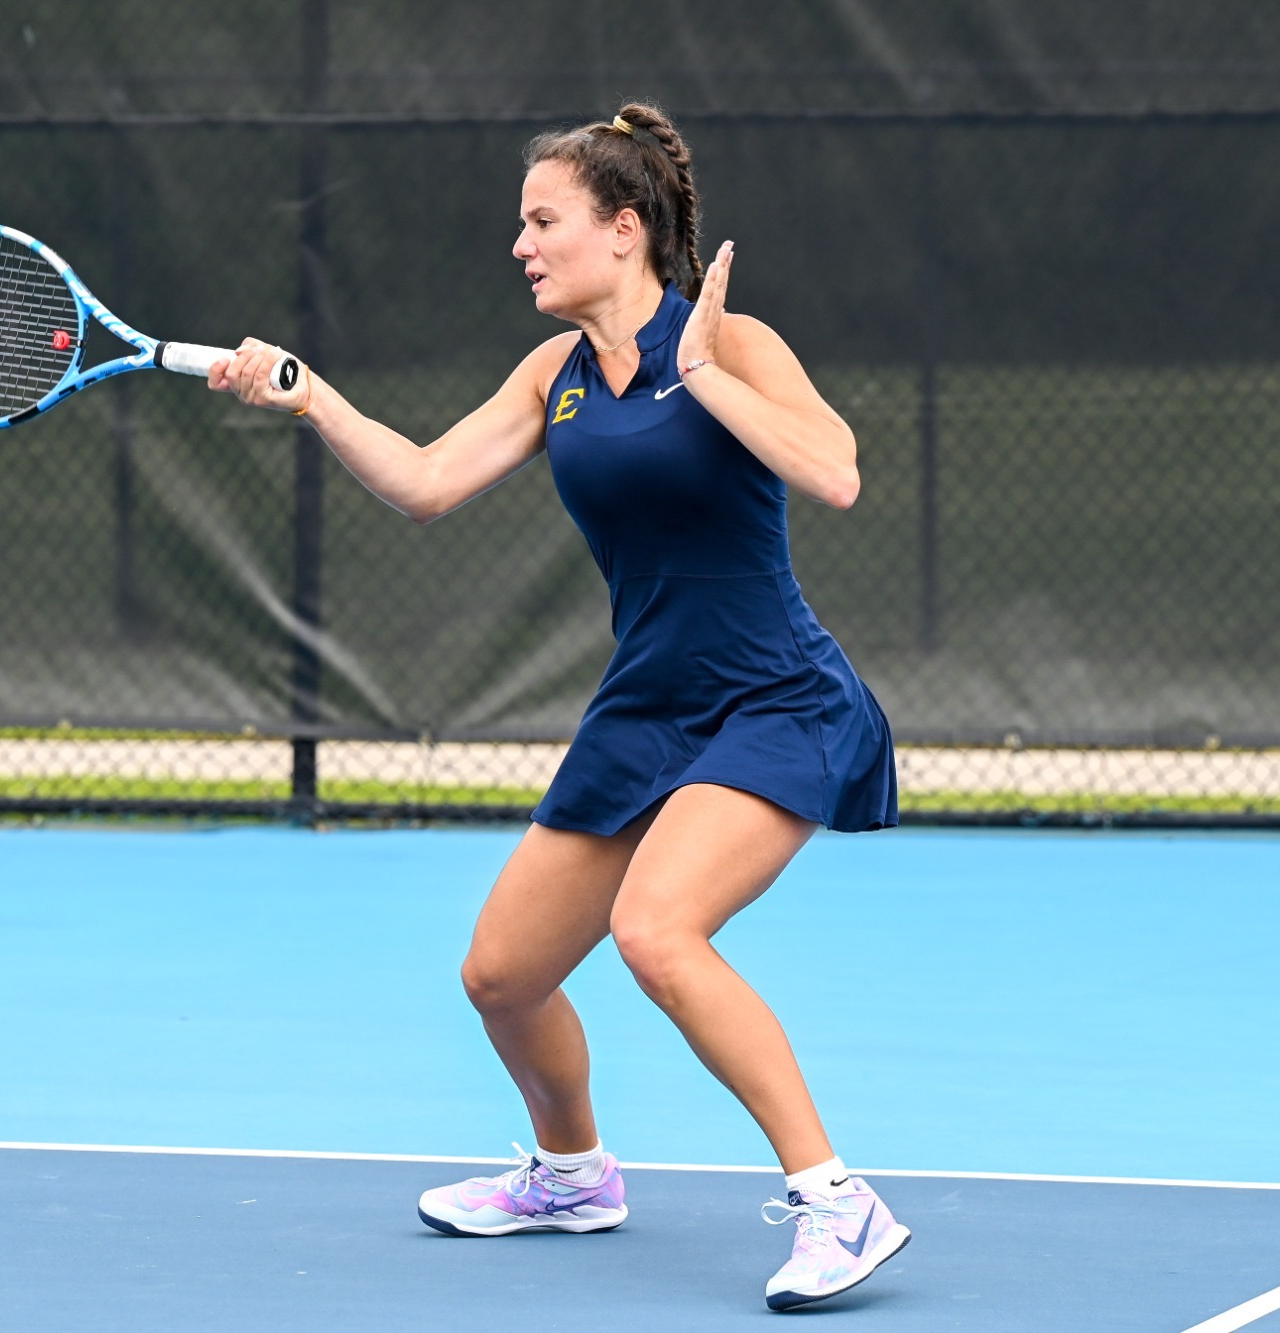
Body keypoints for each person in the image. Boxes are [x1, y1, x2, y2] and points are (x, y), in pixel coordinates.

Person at [209, 102, 908, 1313]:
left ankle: (837, 1201)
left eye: (543, 222)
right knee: (501, 976)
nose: (521, 246)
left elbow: (835, 471)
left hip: (772, 697)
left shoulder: (727, 340)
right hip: (647, 707)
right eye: (520, 225)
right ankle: (573, 1174)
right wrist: (310, 397)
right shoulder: (555, 374)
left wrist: (704, 375)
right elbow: (426, 483)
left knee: (656, 931)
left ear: (622, 230)